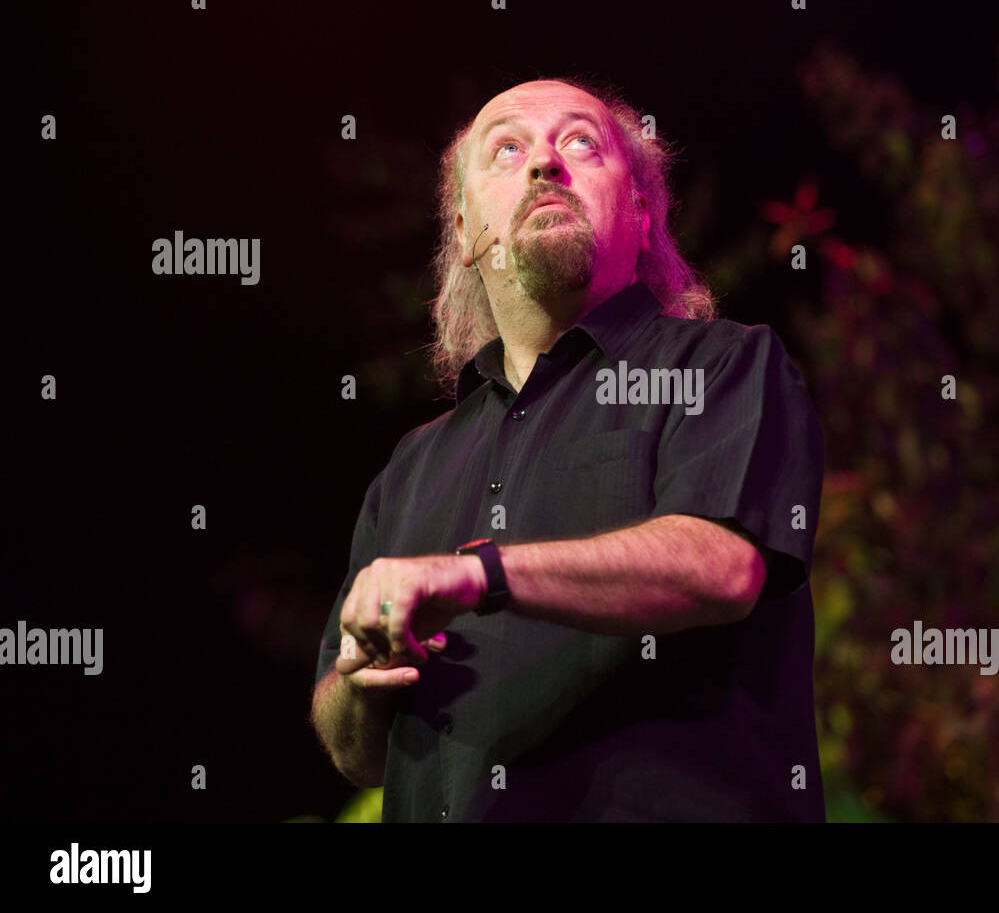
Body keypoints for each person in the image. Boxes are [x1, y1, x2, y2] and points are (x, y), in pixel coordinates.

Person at [309, 77, 826, 822]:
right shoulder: (409, 470)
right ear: (464, 226)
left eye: (581, 142)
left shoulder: (722, 365)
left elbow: (724, 565)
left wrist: (475, 573)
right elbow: (353, 747)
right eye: (507, 150)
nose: (545, 164)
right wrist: (358, 684)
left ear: (643, 212)